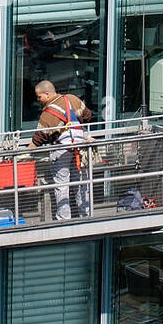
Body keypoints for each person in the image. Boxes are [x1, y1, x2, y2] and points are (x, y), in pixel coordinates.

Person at [30, 80, 93, 220]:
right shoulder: (72, 99)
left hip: (61, 149)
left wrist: (24, 154)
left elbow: (38, 139)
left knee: (62, 185)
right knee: (81, 183)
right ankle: (86, 215)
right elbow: (88, 115)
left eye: (39, 97)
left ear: (47, 94)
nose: (38, 100)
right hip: (79, 148)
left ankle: (64, 219)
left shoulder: (48, 113)